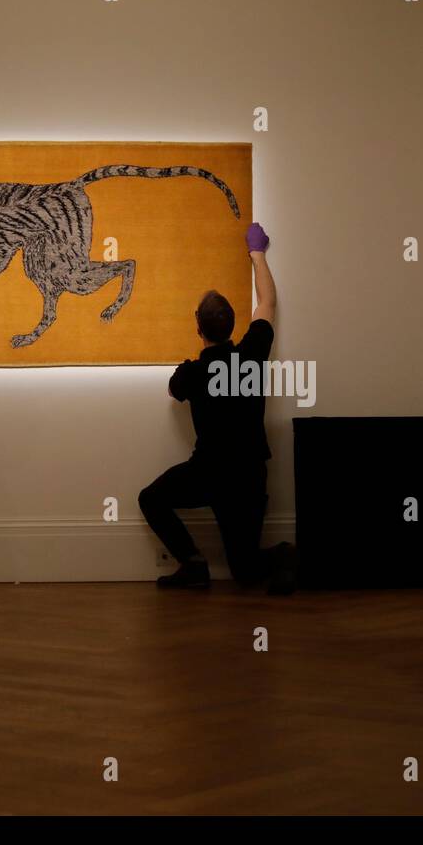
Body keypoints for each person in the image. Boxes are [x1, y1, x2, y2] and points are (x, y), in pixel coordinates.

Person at [139, 223, 297, 594]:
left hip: (211, 473)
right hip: (247, 477)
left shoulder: (192, 374)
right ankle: (273, 558)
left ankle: (194, 563)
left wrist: (192, 365)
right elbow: (268, 304)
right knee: (246, 572)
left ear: (199, 329)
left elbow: (173, 390)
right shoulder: (252, 354)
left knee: (151, 499)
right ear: (232, 326)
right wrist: (256, 252)